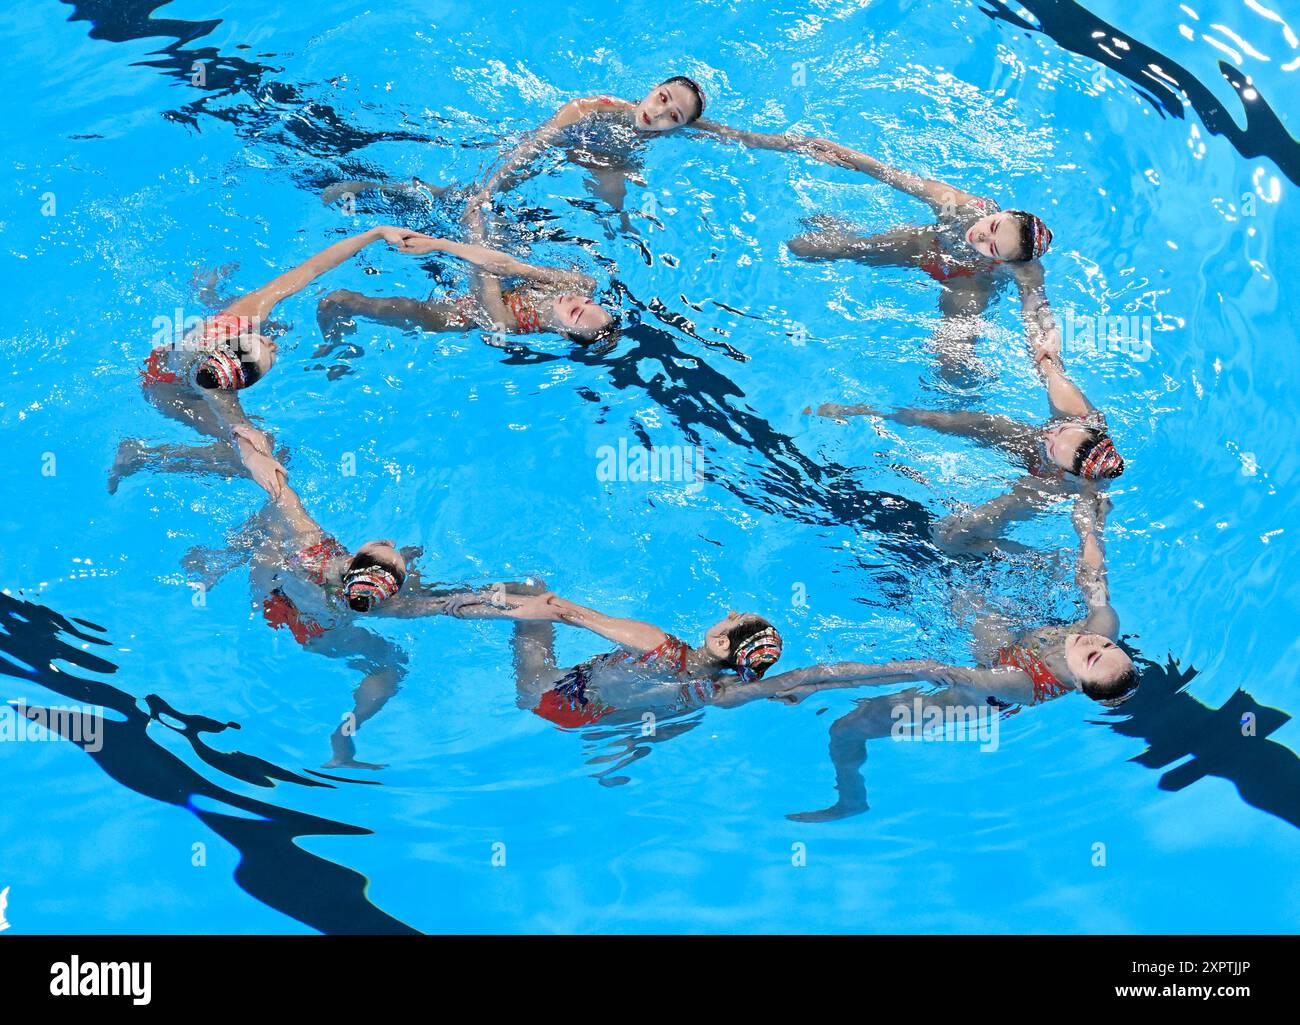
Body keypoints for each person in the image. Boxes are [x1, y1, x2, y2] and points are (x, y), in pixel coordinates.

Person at [764, 491, 1136, 821]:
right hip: (1016, 644)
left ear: (1079, 684)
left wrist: (816, 681)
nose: (1093, 644)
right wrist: (1091, 524)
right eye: (1107, 646)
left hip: (978, 697)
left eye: (1092, 658)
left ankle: (851, 800)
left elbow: (920, 670)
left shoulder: (1016, 683)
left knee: (846, 729)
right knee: (960, 562)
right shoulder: (1102, 625)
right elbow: (1093, 573)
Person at [183, 478, 525, 769]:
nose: (390, 542)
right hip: (313, 635)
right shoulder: (383, 608)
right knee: (392, 664)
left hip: (271, 594)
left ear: (361, 552)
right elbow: (450, 607)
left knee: (271, 522)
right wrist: (511, 602)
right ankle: (344, 736)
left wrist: (257, 448)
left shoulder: (310, 544)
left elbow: (280, 492)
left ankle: (220, 562)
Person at [110, 225, 414, 498]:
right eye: (272, 353)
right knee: (269, 447)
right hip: (166, 389)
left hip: (187, 353)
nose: (273, 344)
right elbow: (240, 432)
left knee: (269, 323)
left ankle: (206, 292)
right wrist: (257, 460)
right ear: (242, 384)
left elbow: (309, 270)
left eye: (262, 344)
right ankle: (142, 455)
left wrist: (374, 233)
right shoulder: (220, 392)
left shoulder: (238, 319)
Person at [807, 332, 1124, 554]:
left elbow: (1092, 551)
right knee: (962, 422)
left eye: (1054, 446)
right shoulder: (1075, 411)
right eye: (1059, 430)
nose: (1048, 435)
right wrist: (1047, 343)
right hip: (1032, 452)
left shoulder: (1086, 495)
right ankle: (872, 411)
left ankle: (1024, 557)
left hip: (1042, 487)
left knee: (952, 535)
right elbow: (1044, 358)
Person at [786, 138, 1056, 383]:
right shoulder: (956, 206)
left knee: (950, 365)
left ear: (1006, 261)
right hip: (923, 247)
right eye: (994, 226)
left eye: (993, 248)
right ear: (1004, 212)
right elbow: (886, 172)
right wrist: (814, 145)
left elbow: (1036, 310)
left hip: (967, 283)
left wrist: (1048, 342)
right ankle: (841, 229)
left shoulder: (1025, 267)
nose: (981, 236)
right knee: (805, 248)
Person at [464, 76, 875, 225]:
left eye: (673, 116)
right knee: (506, 178)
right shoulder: (589, 108)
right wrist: (491, 187)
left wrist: (804, 146)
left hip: (614, 161)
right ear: (652, 88)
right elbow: (535, 144)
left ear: (682, 126)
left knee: (617, 210)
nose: (658, 114)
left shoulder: (686, 131)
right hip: (569, 143)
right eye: (661, 98)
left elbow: (748, 138)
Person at [435, 587, 786, 728]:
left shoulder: (657, 643)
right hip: (582, 721)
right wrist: (631, 746)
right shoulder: (711, 689)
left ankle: (429, 606)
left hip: (543, 694)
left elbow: (572, 614)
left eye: (733, 618)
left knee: (531, 591)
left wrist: (497, 600)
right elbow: (662, 725)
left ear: (723, 643)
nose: (729, 611)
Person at [316, 209, 619, 349]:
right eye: (587, 302)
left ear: (565, 334)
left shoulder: (506, 325)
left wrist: (451, 238)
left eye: (576, 312)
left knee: (339, 300)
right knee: (492, 218)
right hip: (492, 273)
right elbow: (517, 269)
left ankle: (334, 346)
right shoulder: (582, 285)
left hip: (462, 314)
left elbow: (485, 271)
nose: (576, 300)